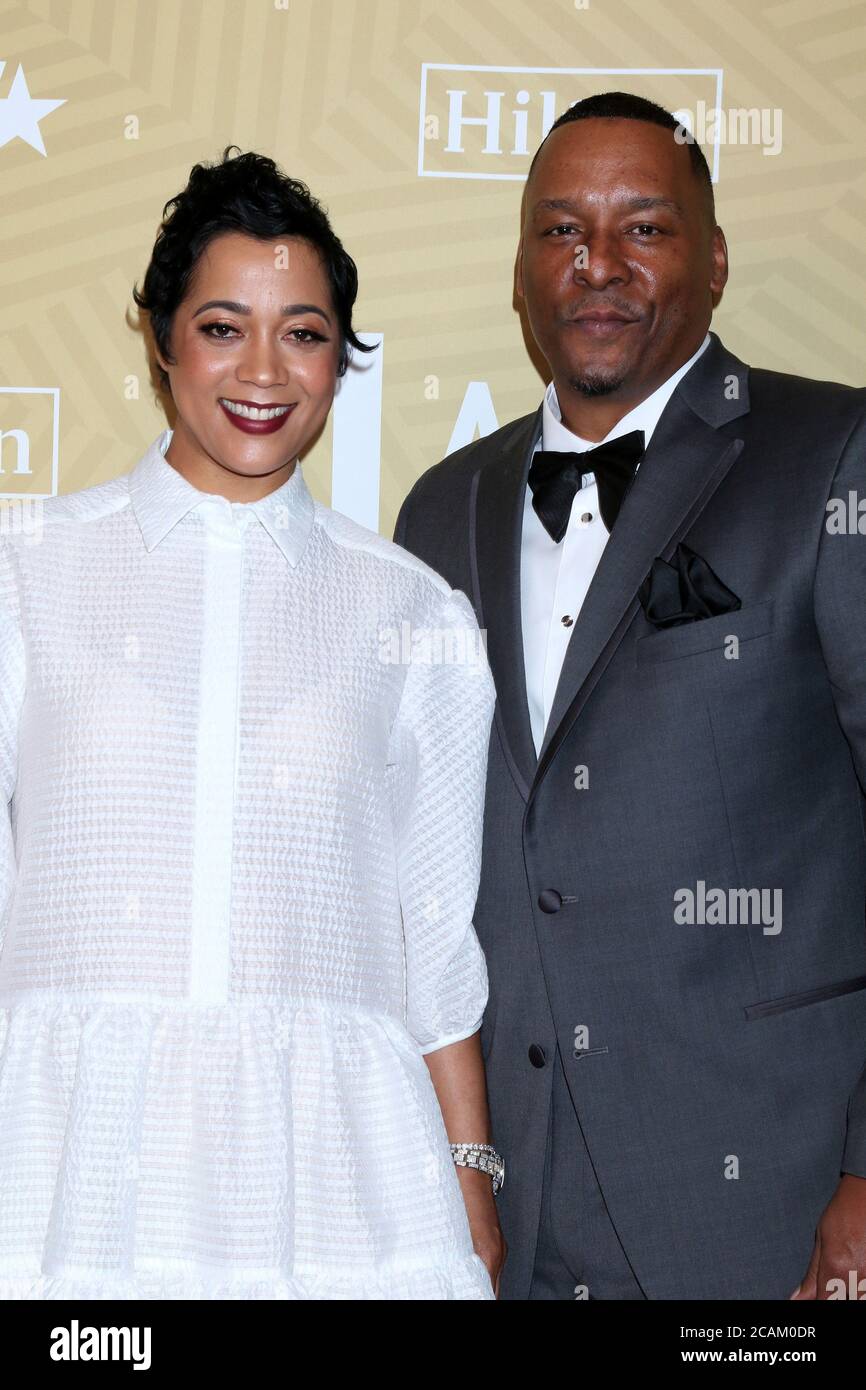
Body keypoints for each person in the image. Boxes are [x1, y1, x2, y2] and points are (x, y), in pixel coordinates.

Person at [0, 146, 505, 1300]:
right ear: (160, 337)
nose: (264, 371)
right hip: (67, 1163)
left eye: (306, 333)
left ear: (340, 359)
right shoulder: (27, 569)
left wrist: (468, 1173)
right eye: (224, 326)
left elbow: (434, 932)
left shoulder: (413, 612)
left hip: (337, 1178)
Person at [394, 92, 866, 1300]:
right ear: (518, 270)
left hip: (770, 1202)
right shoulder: (440, 509)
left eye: (641, 229)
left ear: (710, 262)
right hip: (512, 1205)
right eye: (558, 231)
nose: (595, 265)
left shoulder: (831, 457)